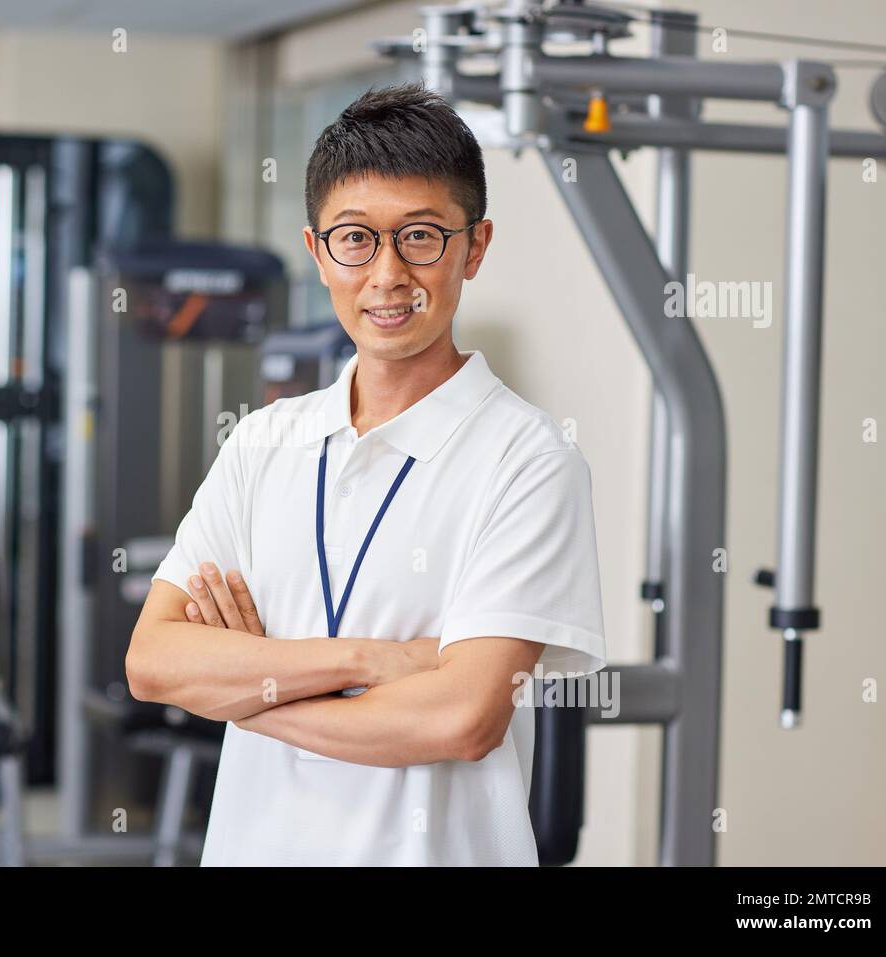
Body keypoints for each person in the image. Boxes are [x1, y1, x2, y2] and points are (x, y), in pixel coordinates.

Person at [126, 81, 606, 866]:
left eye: (420, 236)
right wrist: (370, 661)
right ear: (318, 253)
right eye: (355, 239)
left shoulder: (528, 462)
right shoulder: (261, 444)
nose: (386, 274)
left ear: (474, 247)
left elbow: (462, 719)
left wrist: (246, 693)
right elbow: (153, 663)